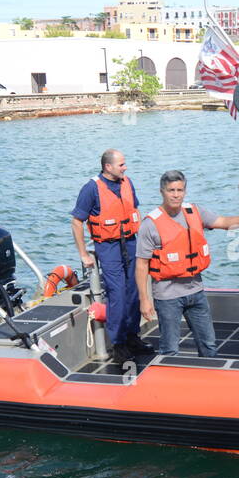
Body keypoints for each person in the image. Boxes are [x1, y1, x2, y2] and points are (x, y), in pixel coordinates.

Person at [135, 170, 239, 357]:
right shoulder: (150, 224)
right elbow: (141, 264)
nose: (176, 195)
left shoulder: (194, 211)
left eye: (179, 190)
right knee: (170, 349)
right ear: (162, 191)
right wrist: (144, 300)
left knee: (209, 345)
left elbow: (225, 222)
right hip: (167, 297)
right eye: (171, 190)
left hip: (196, 292)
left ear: (185, 191)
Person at [70, 148, 152, 362]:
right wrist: (83, 254)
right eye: (121, 164)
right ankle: (118, 345)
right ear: (108, 167)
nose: (125, 168)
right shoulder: (91, 189)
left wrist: (143, 241)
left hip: (132, 242)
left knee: (134, 291)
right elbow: (77, 221)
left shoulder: (127, 183)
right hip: (108, 247)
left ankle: (133, 336)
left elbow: (135, 210)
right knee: (118, 295)